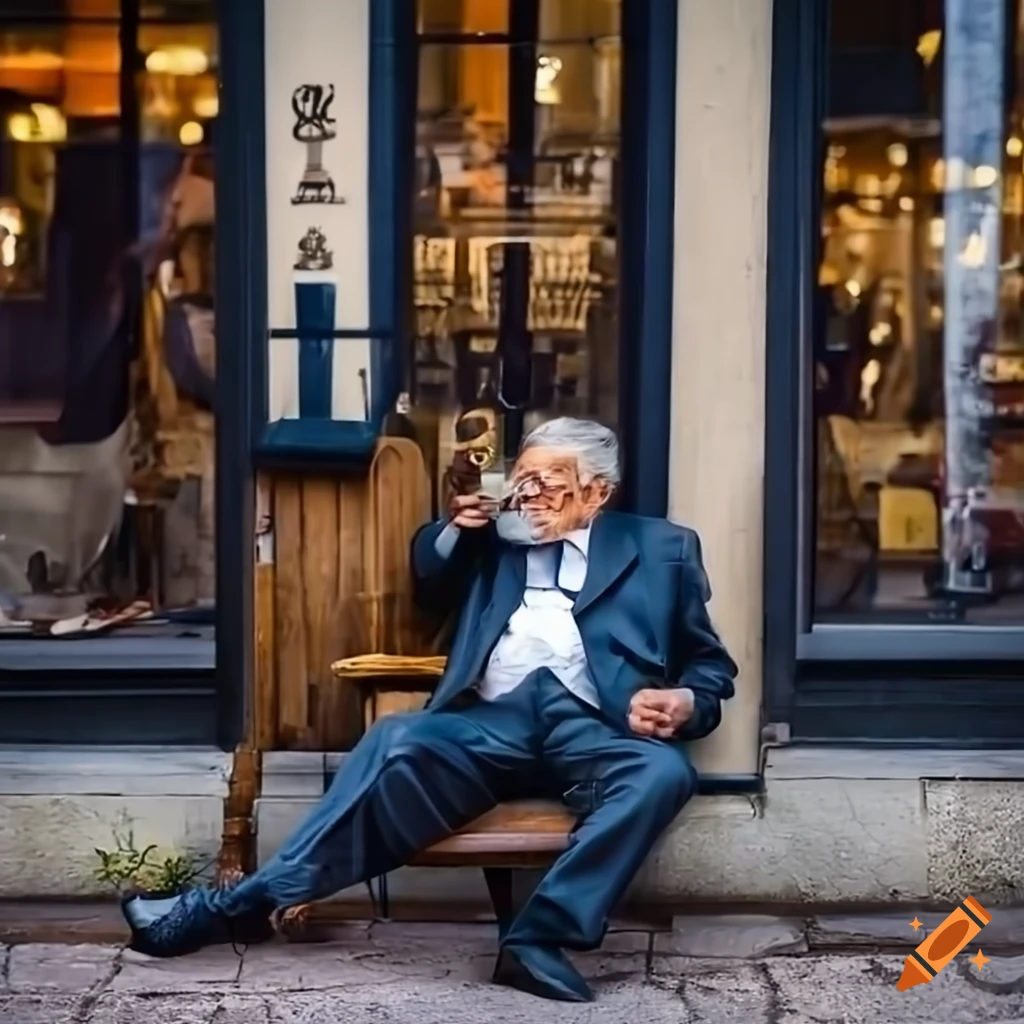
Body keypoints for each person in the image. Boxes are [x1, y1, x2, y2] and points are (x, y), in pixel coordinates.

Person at [121, 417, 737, 1003]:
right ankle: (238, 906)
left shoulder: (663, 549)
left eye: (549, 484)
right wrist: (459, 528)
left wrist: (686, 702)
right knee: (396, 738)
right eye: (522, 480)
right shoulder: (496, 535)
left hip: (594, 726)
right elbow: (430, 577)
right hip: (492, 721)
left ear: (598, 491)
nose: (530, 497)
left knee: (664, 773)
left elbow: (709, 668)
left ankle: (538, 938)